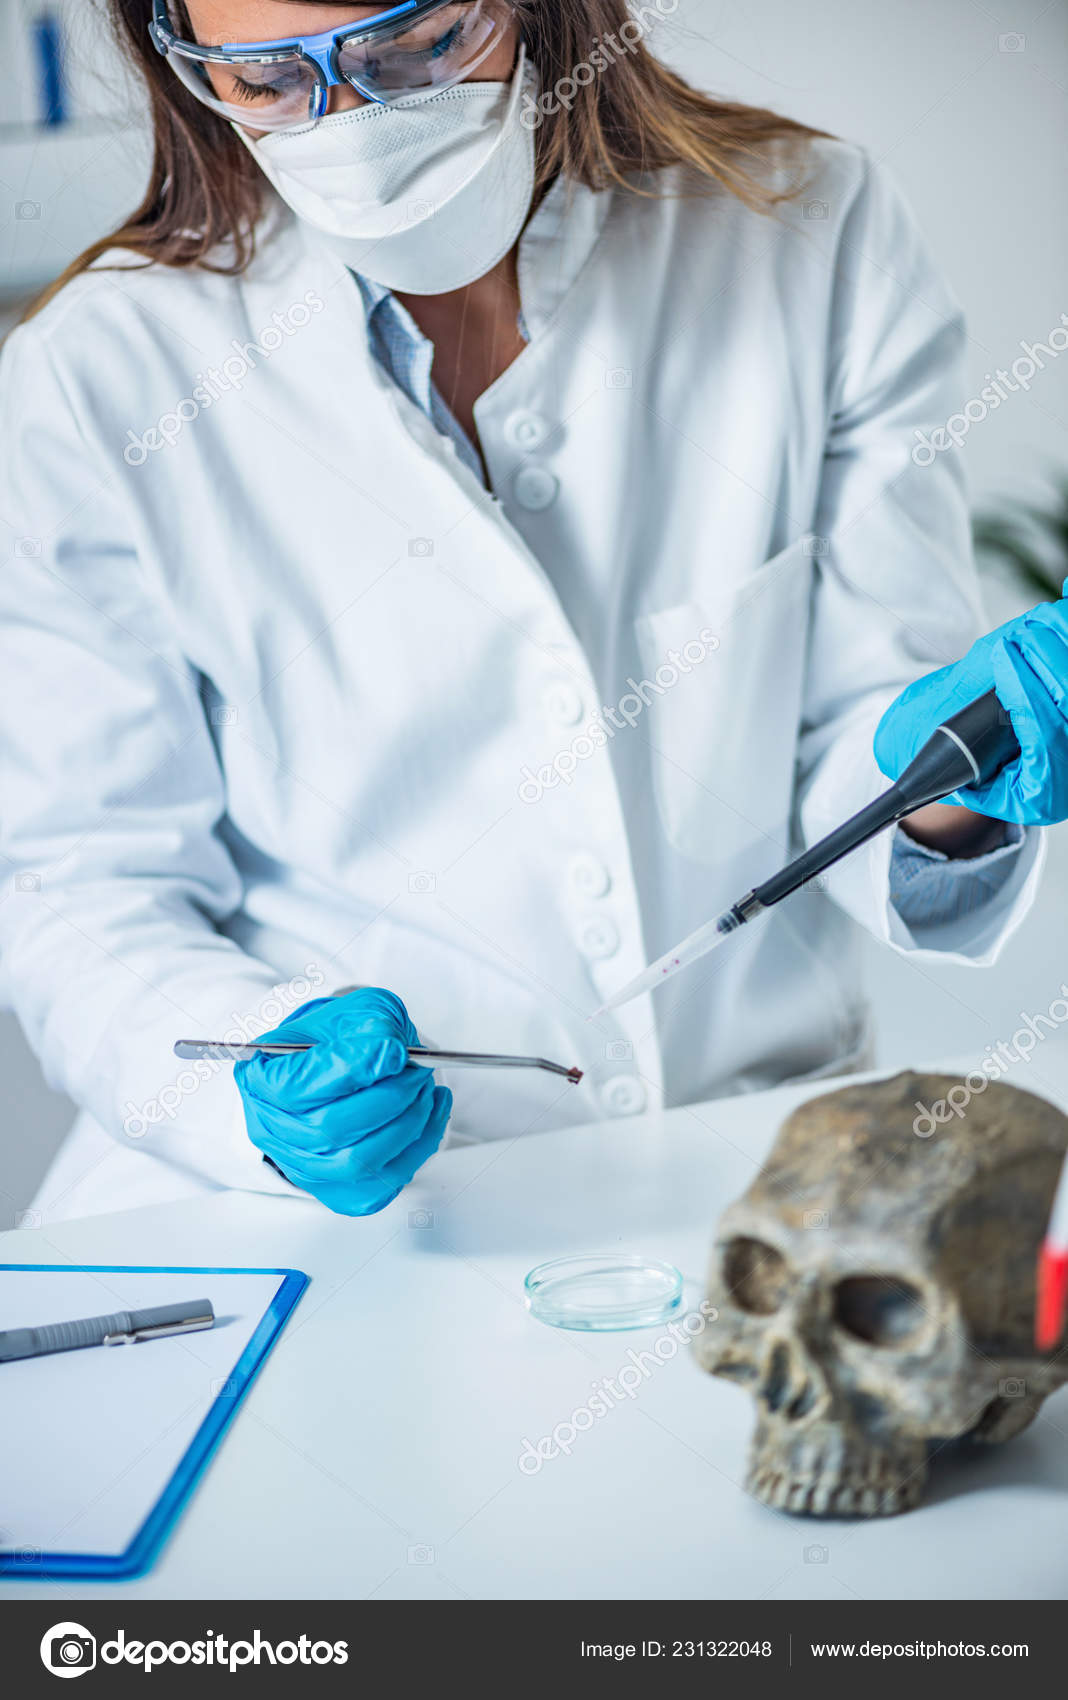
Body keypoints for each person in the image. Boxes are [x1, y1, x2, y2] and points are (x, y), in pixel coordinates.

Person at [1, 0, 1066, 1223]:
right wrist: (252, 1061)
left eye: (414, 44)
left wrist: (947, 773)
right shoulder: (101, 376)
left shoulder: (810, 228)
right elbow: (83, 886)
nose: (351, 121)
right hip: (315, 1222)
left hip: (737, 1173)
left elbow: (870, 736)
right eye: (265, 81)